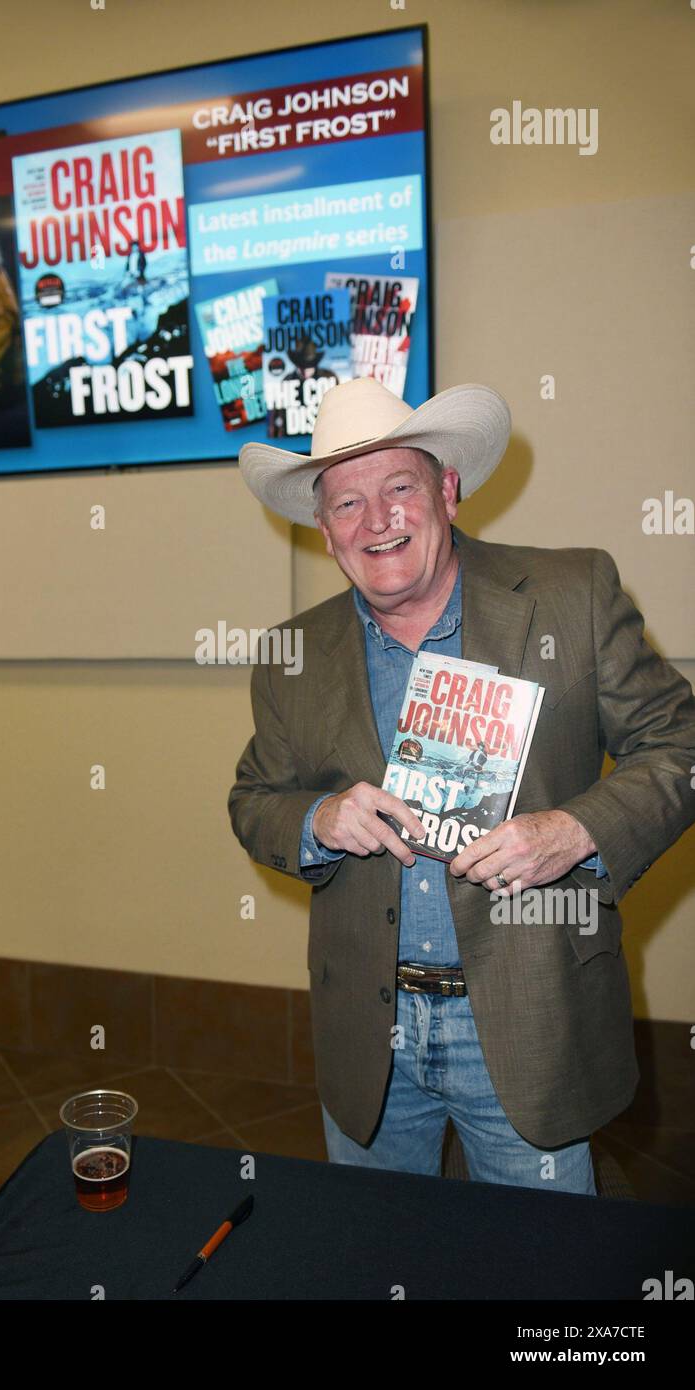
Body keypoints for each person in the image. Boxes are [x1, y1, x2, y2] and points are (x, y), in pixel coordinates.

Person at [228, 376, 695, 1194]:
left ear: (446, 490)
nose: (376, 521)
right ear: (324, 533)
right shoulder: (288, 653)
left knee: (543, 1279)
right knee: (380, 1261)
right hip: (368, 1033)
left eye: (399, 487)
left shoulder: (570, 596)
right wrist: (316, 819)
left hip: (529, 1016)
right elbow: (253, 800)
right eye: (346, 503)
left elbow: (678, 742)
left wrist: (576, 830)